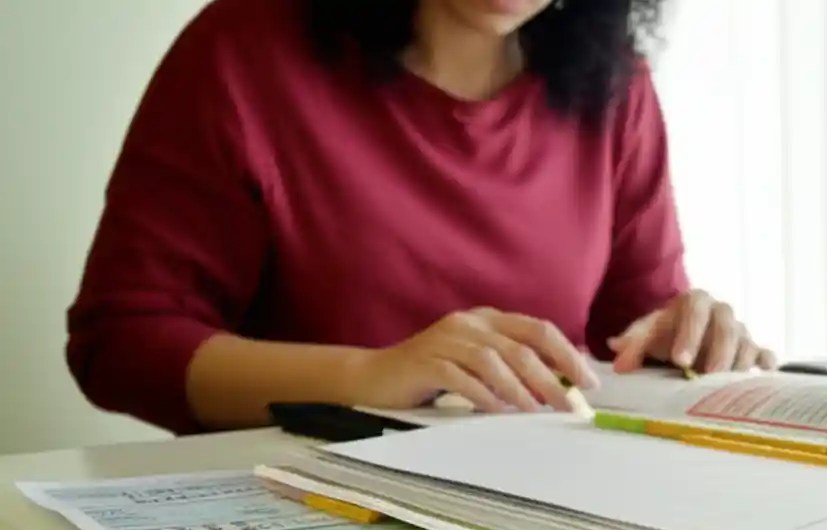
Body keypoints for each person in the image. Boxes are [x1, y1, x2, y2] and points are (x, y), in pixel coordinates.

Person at [66, 0, 776, 436]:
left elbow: (629, 330)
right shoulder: (243, 51)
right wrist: (370, 377)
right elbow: (123, 345)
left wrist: (679, 339)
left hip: (532, 518)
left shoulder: (615, 86)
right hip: (289, 517)